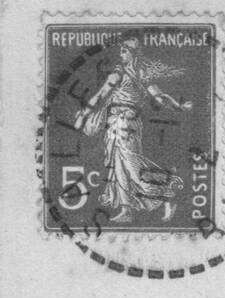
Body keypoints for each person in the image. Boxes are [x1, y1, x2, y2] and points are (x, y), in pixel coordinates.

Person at [73, 38, 193, 224]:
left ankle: (168, 189)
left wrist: (178, 107)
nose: (121, 53)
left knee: (132, 164)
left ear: (133, 53)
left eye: (125, 50)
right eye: (121, 50)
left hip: (128, 124)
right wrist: (84, 114)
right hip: (115, 123)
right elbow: (100, 96)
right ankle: (126, 209)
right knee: (118, 166)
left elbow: (159, 97)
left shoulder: (140, 74)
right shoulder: (119, 74)